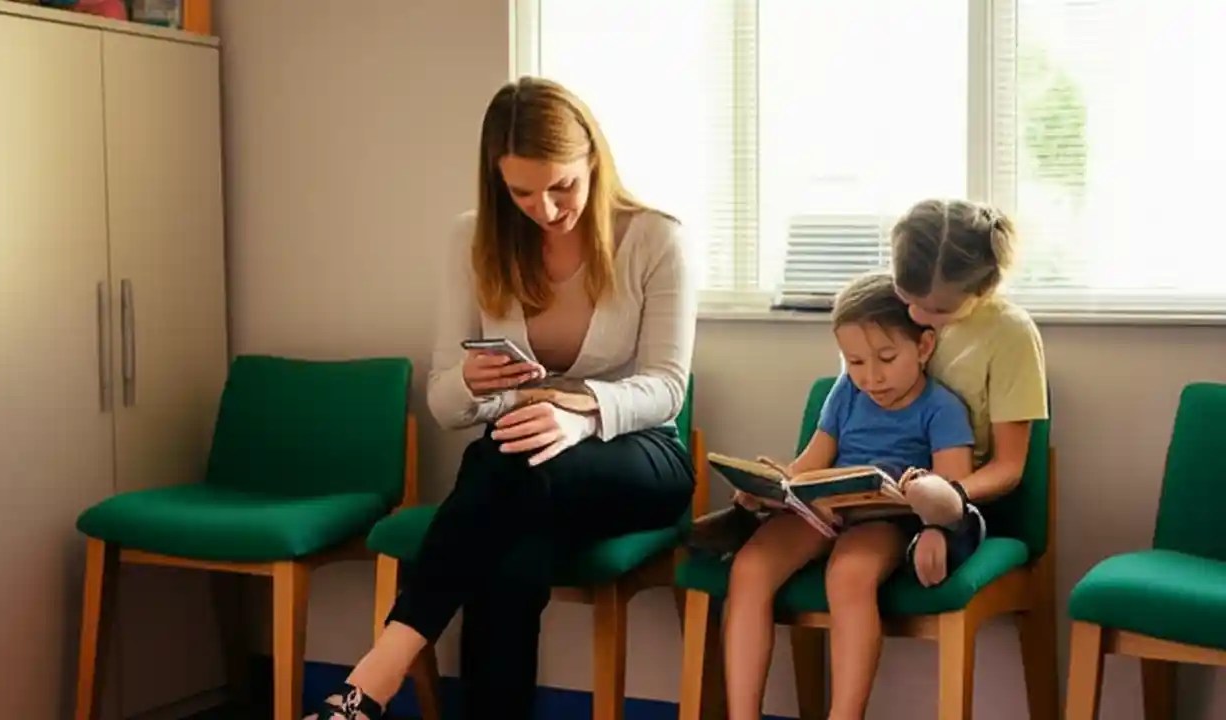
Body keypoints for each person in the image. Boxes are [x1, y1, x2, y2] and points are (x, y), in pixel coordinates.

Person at [305, 76, 697, 720]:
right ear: (496, 181)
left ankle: (372, 679)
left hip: (637, 456)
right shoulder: (474, 240)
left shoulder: (655, 239)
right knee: (509, 556)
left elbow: (665, 389)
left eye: (561, 185)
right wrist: (473, 385)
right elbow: (446, 405)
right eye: (522, 192)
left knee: (502, 467)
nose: (544, 208)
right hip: (523, 461)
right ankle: (376, 689)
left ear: (593, 159)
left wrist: (578, 415)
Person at [721, 271, 981, 720]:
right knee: (749, 568)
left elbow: (954, 493)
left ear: (923, 347)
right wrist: (767, 487)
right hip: (824, 511)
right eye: (855, 363)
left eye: (885, 357)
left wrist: (935, 525)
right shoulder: (845, 394)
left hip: (888, 519)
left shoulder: (941, 408)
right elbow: (809, 465)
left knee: (848, 575)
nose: (872, 377)